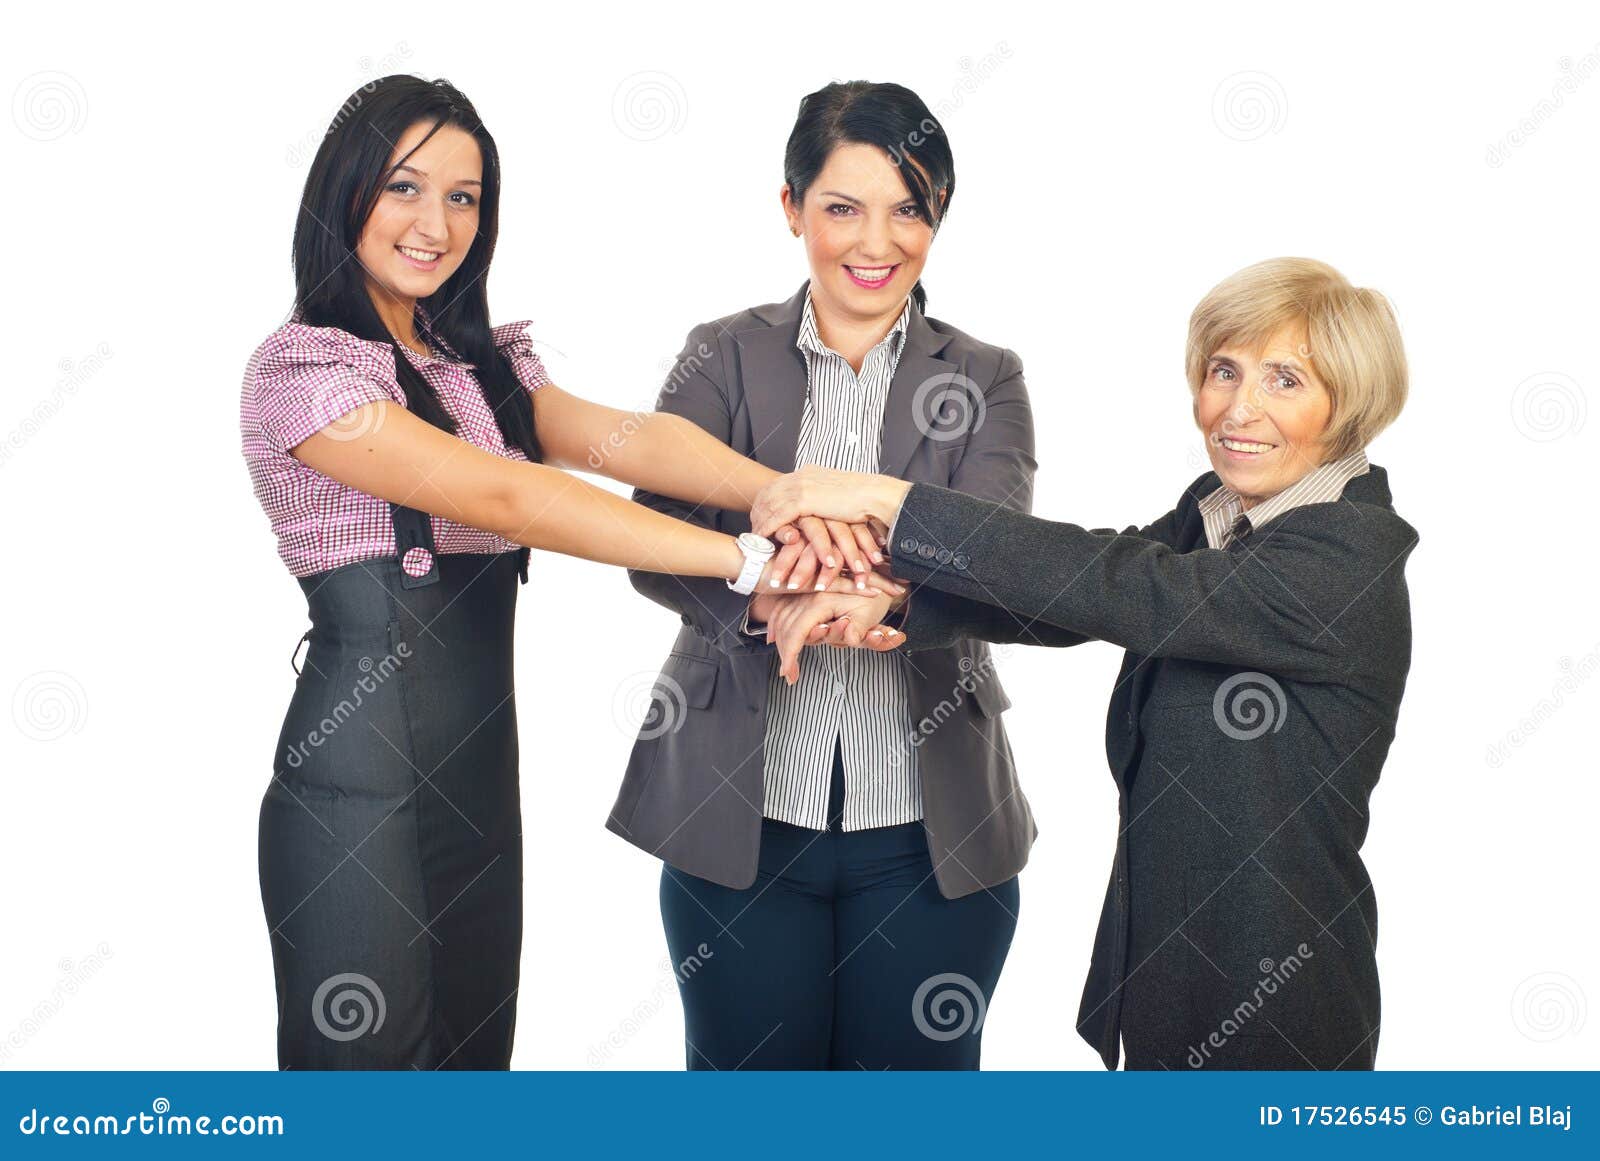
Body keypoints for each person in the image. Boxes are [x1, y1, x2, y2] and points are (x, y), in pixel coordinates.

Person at [241, 75, 888, 1069]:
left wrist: (790, 496)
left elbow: (631, 440)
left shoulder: (477, 368)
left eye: (464, 197)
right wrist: (751, 561)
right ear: (344, 190)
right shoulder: (306, 373)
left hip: (478, 794)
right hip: (352, 794)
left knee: (474, 1073)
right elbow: (507, 497)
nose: (436, 224)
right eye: (405, 187)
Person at [750, 257, 1418, 1069]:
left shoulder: (1346, 553)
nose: (1238, 408)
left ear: (1349, 402)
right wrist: (897, 600)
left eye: (1285, 379)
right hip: (1176, 970)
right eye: (1224, 370)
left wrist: (892, 501)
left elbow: (1129, 586)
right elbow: (1089, 594)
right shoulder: (1223, 513)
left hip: (1274, 997)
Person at [614, 81, 1037, 1069]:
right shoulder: (722, 353)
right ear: (791, 206)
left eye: (908, 209)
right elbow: (653, 536)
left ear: (939, 213)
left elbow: (1000, 556)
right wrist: (769, 590)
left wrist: (878, 592)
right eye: (842, 207)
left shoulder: (985, 375)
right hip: (738, 823)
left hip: (930, 837)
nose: (875, 242)